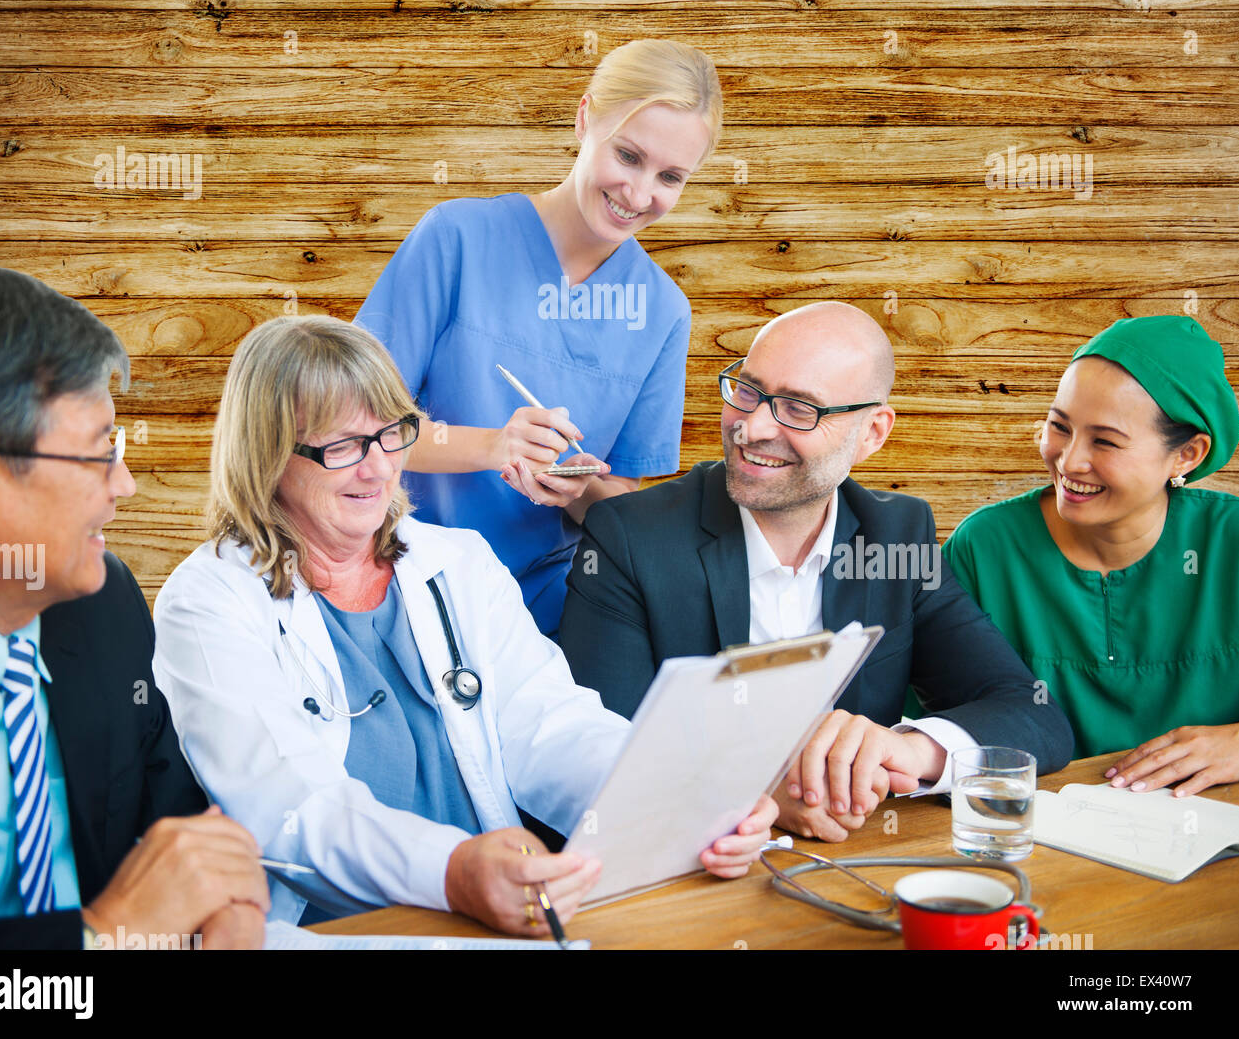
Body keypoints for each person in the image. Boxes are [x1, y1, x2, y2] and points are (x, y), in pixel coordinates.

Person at [152, 316, 775, 936]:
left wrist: (677, 793)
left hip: (496, 910)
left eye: (391, 434)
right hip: (334, 930)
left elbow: (550, 724)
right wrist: (451, 871)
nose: (376, 470)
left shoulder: (459, 561)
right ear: (266, 454)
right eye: (341, 446)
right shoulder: (207, 600)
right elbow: (287, 807)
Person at [561, 303, 1074, 843]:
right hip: (679, 870)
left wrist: (906, 747)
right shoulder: (629, 535)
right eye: (748, 391)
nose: (752, 427)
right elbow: (597, 747)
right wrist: (756, 794)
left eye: (800, 409)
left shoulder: (896, 534)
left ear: (872, 432)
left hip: (846, 861)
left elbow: (1033, 717)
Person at [0, 264, 269, 949]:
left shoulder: (105, 604)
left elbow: (177, 821)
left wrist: (226, 903)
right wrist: (103, 934)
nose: (123, 485)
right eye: (98, 453)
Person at [353, 39, 722, 635]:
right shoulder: (457, 239)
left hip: (550, 610)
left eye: (671, 176)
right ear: (584, 119)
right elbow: (352, 427)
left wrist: (573, 487)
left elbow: (617, 497)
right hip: (404, 578)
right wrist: (495, 447)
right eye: (628, 156)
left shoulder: (664, 312)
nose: (639, 194)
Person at [945, 315, 1239, 792]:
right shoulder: (984, 549)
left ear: (1186, 455)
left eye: (1104, 441)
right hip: (1039, 840)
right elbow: (942, 727)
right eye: (1059, 426)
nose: (1069, 460)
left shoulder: (1233, 543)